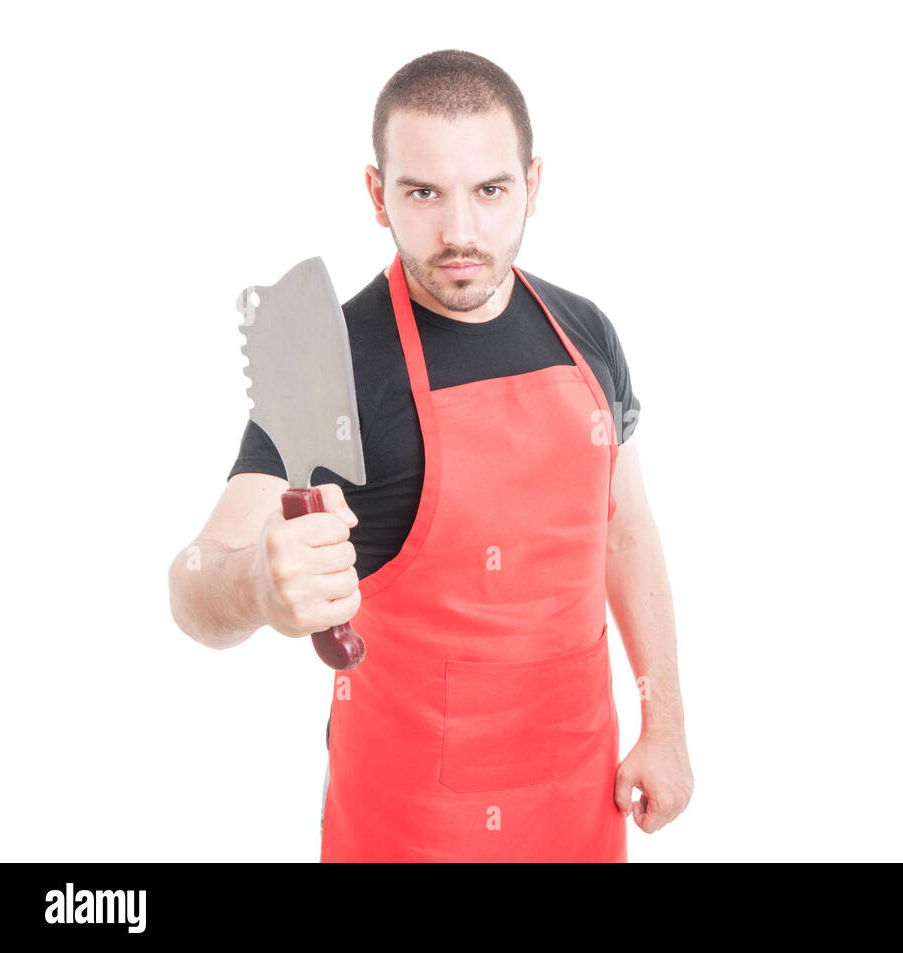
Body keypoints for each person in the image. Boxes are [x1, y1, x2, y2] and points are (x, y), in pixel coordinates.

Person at [168, 49, 692, 861]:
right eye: (423, 193)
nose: (460, 232)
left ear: (534, 184)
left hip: (580, 804)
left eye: (490, 191)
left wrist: (666, 724)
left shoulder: (586, 333)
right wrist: (258, 585)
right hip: (411, 827)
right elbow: (196, 580)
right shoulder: (329, 360)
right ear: (379, 195)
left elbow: (625, 532)